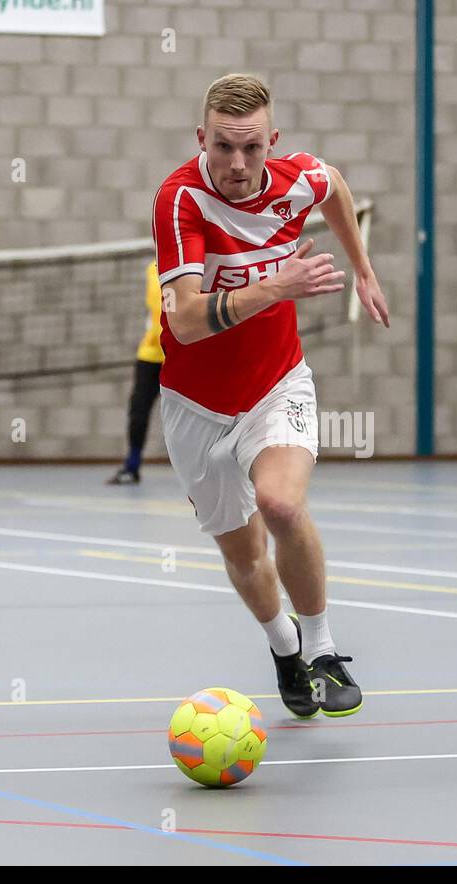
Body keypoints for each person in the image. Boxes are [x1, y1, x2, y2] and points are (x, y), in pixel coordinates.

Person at [151, 73, 390, 719]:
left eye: (252, 148)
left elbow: (334, 184)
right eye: (223, 147)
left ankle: (323, 649)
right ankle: (284, 648)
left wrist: (363, 269)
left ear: (272, 142)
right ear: (202, 139)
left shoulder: (297, 180)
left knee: (282, 505)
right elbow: (187, 320)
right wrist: (275, 287)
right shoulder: (180, 200)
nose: (237, 163)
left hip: (277, 383)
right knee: (243, 551)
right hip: (195, 407)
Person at [108, 260, 163, 485]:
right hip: (150, 354)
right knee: (138, 410)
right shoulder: (152, 269)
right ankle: (132, 466)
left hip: (183, 354)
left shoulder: (197, 264)